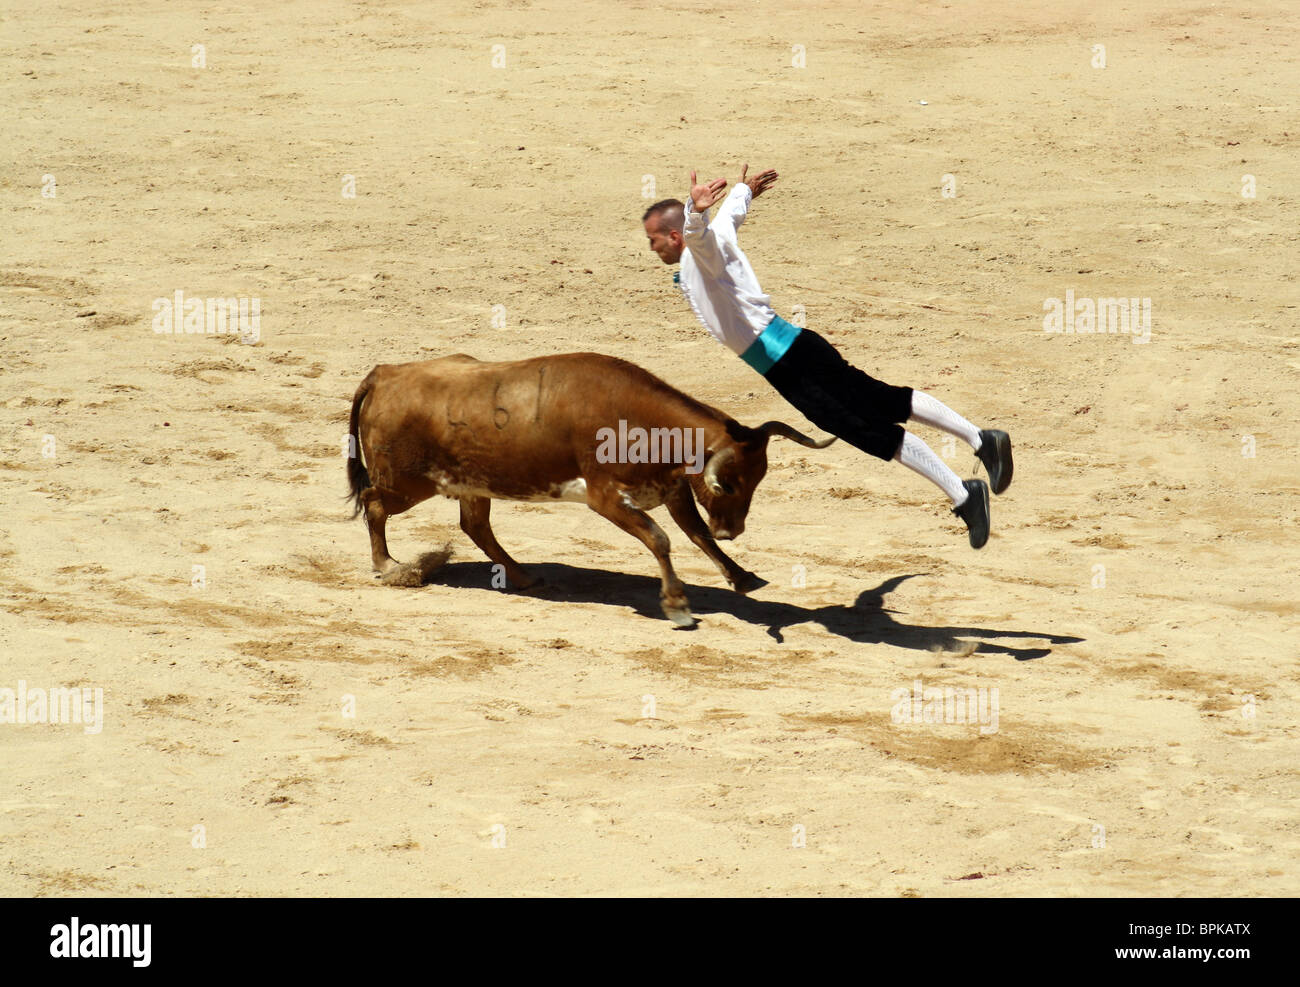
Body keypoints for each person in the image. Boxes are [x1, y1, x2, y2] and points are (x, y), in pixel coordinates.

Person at [641, 165, 1013, 548]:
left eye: (654, 240)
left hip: (788, 361)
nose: (652, 248)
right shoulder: (708, 247)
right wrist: (744, 192)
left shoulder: (699, 253)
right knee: (880, 401)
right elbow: (729, 218)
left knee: (867, 428)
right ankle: (981, 441)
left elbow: (700, 236)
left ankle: (966, 491)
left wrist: (695, 212)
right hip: (794, 352)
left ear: (673, 235)